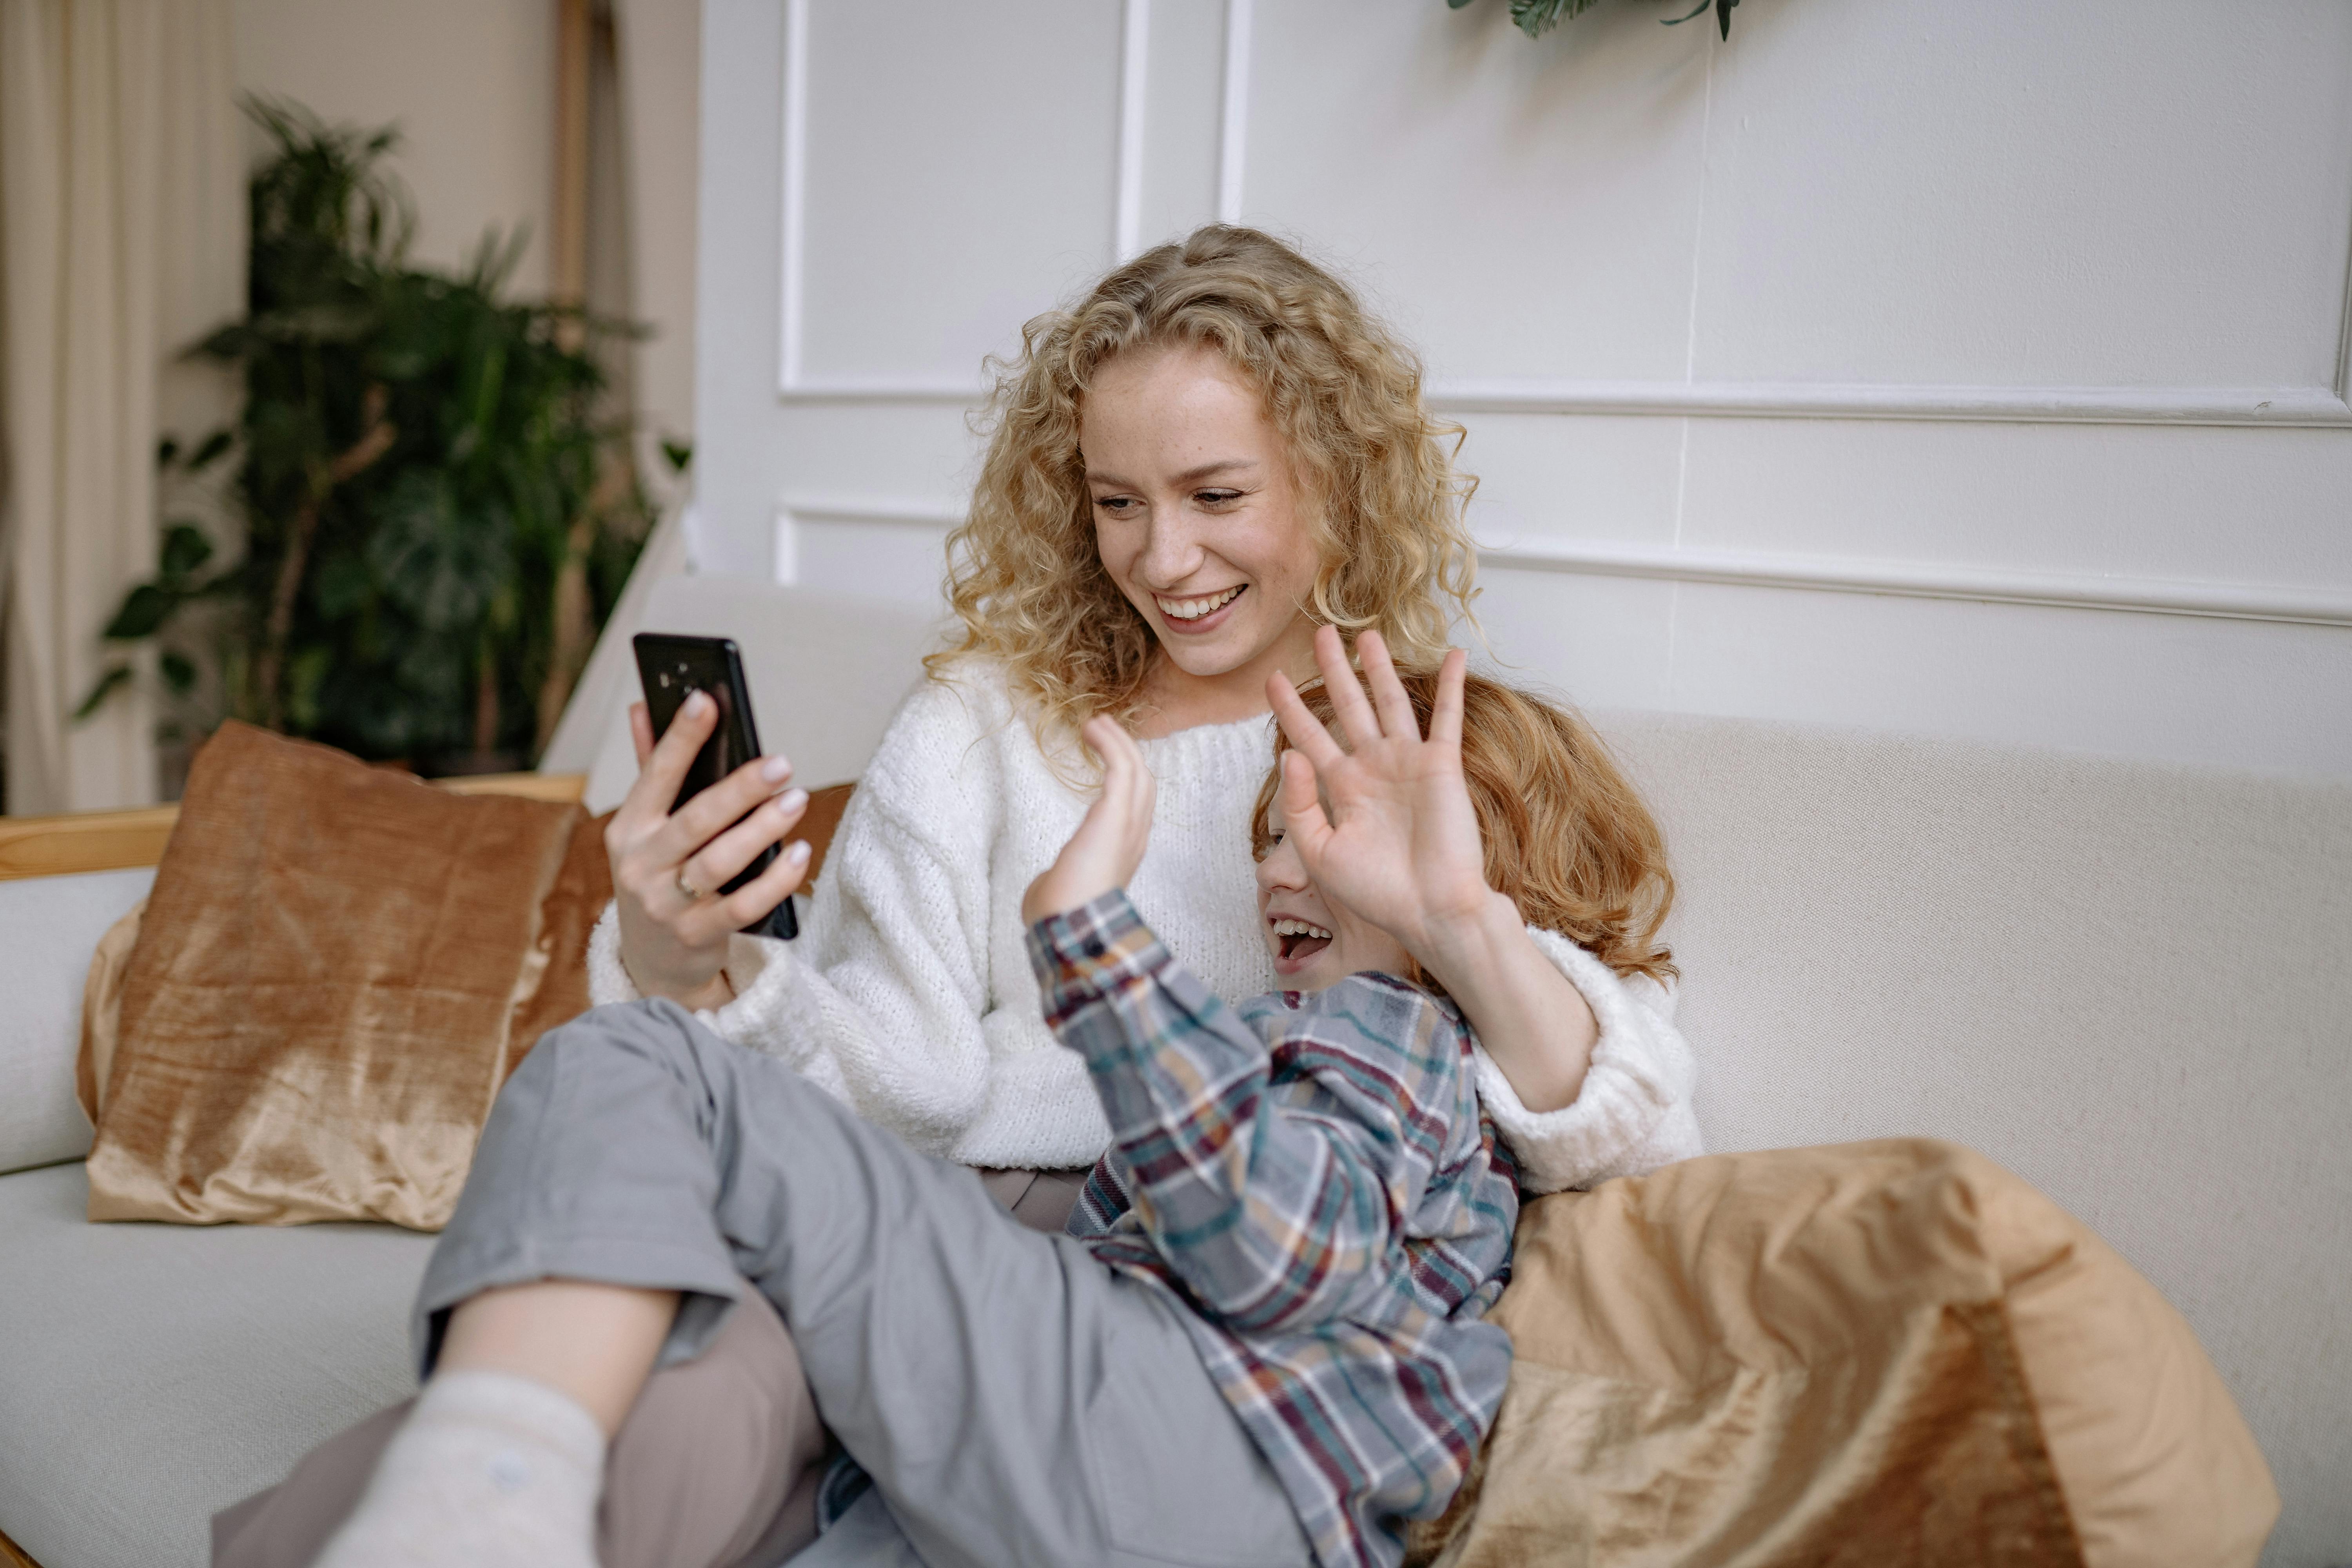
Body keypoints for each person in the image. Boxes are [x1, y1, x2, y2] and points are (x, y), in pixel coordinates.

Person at [214, 227, 1702, 1566]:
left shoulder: (1405, 750)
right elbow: (905, 1073)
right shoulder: (990, 721)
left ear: (1341, 476)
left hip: (1178, 1302)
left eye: (1216, 494)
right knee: (634, 1423)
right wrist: (701, 968)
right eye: (1118, 501)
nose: (1162, 558)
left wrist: (1441, 920)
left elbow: (1631, 1115)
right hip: (936, 1214)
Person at [298, 634, 1646, 1568]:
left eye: (1324, 835)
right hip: (1127, 1485)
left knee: (642, 1065)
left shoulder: (1396, 1032)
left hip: (1190, 1440)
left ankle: (481, 1493)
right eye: (1268, 838)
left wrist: (1088, 938)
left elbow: (1287, 1258)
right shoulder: (1339, 1037)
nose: (1280, 872)